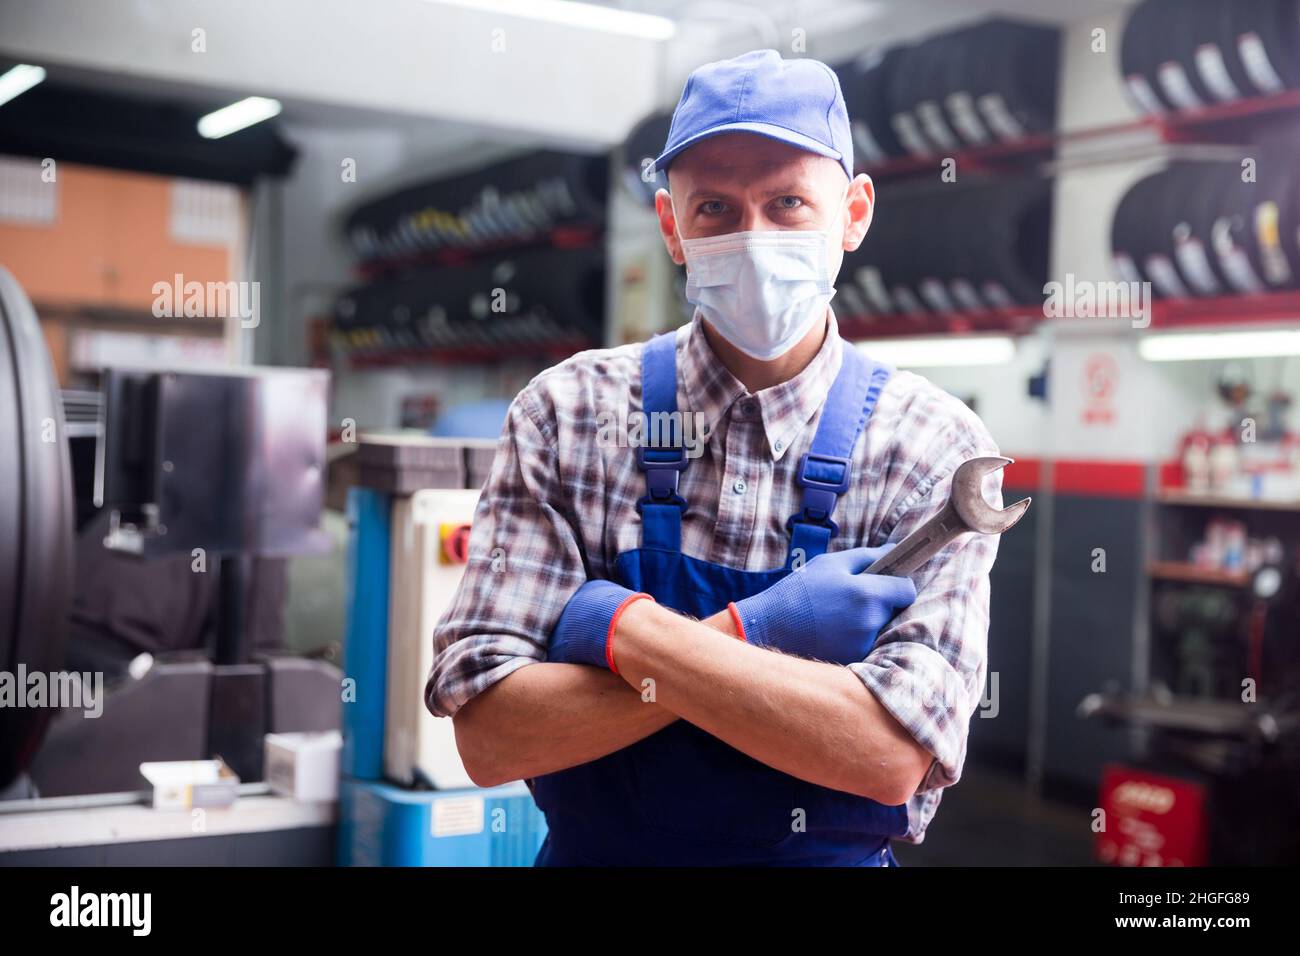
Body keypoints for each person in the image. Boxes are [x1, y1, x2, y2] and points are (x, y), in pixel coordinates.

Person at [426, 49, 1003, 866]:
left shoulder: (934, 451)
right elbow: (492, 735)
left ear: (855, 212)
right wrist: (761, 629)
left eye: (789, 203)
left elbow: (886, 755)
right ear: (670, 225)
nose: (753, 239)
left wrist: (621, 629)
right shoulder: (568, 416)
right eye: (716, 210)